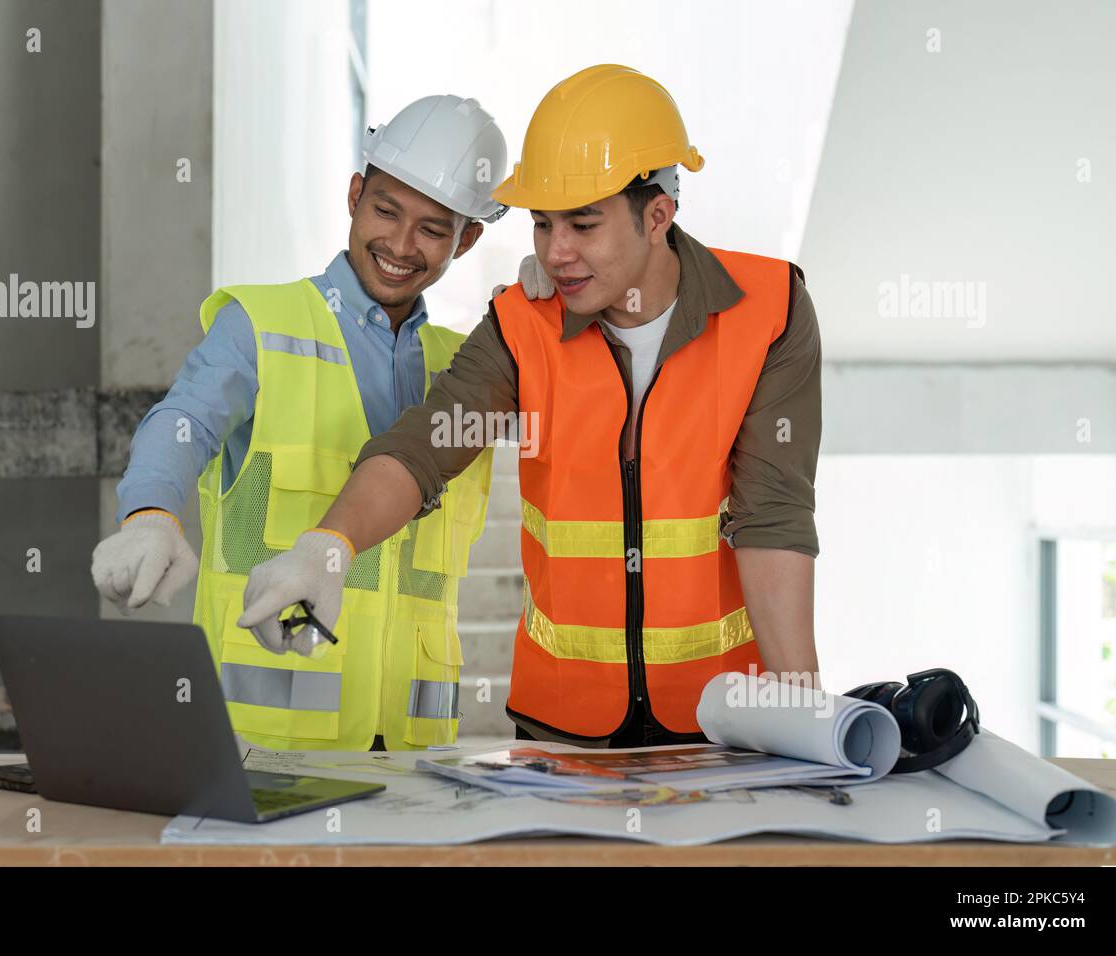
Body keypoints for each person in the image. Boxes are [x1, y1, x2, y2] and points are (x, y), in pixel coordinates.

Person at [234, 64, 824, 749]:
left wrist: (803, 719)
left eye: (582, 224)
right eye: (543, 225)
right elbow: (427, 446)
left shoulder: (768, 311)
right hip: (562, 729)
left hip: (725, 718)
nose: (557, 251)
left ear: (657, 215)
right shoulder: (523, 324)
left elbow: (773, 513)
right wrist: (327, 548)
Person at [91, 95, 509, 752]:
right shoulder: (263, 325)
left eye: (433, 229)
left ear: (470, 238)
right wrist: (150, 513)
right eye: (385, 210)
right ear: (353, 195)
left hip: (413, 752)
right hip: (258, 746)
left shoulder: (464, 369)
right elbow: (183, 423)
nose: (400, 246)